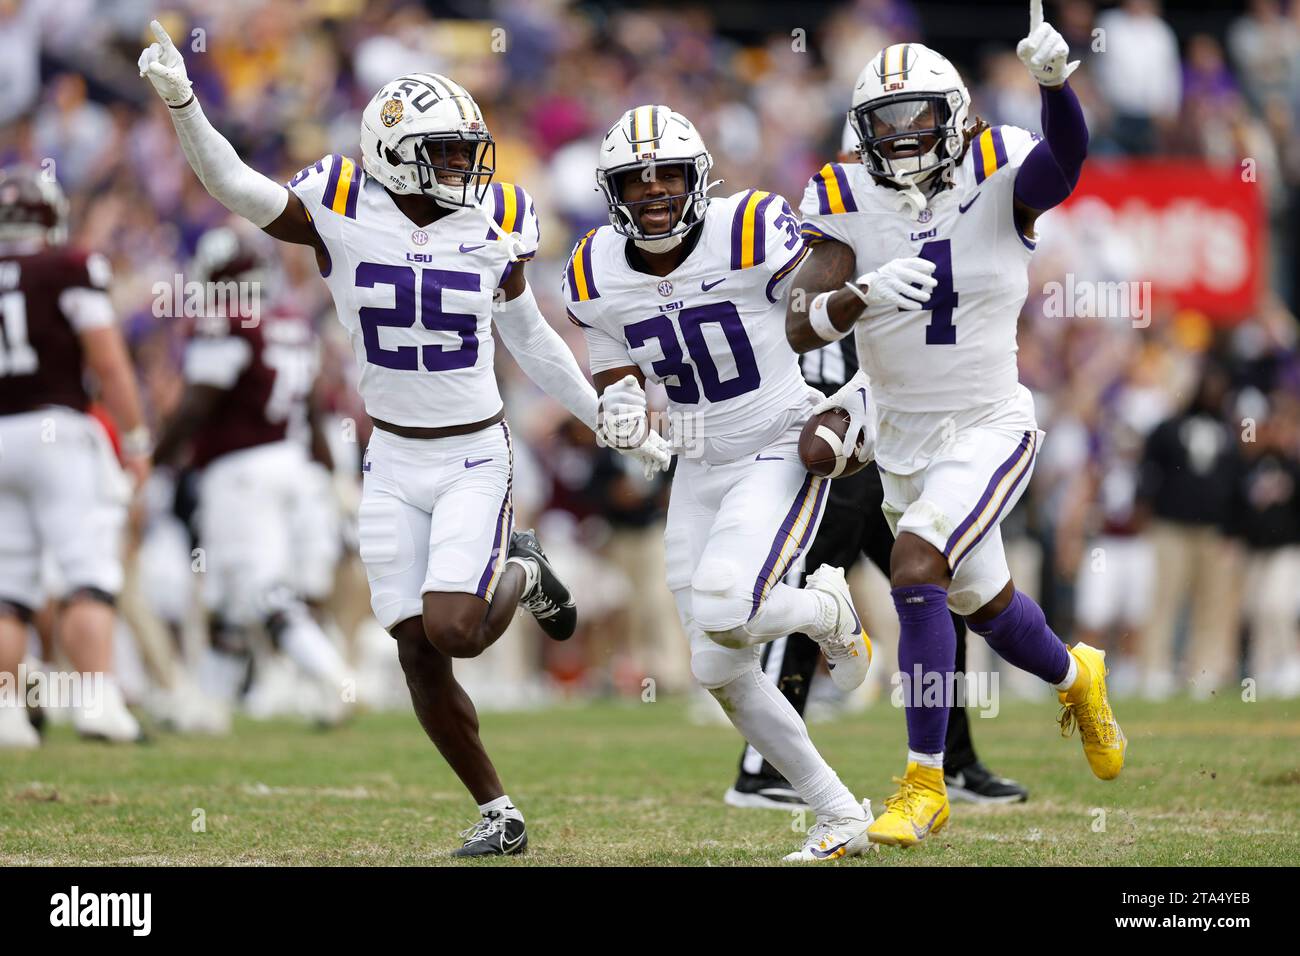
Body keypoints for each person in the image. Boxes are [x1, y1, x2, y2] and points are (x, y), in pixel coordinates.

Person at [139, 22, 669, 856]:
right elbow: (235, 185)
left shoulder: (496, 217)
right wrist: (183, 102)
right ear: (390, 152)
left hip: (470, 451)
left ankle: (521, 568)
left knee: (457, 627)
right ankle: (499, 812)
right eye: (444, 154)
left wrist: (598, 411)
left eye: (467, 152)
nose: (464, 169)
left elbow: (528, 337)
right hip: (389, 455)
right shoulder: (342, 202)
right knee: (417, 651)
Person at [784, 1, 1124, 848]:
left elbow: (1068, 159)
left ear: (955, 117)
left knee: (915, 564)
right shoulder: (842, 193)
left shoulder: (999, 165)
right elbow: (798, 320)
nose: (901, 137)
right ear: (861, 130)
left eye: (916, 118)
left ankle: (923, 784)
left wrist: (1053, 87)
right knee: (987, 606)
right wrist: (855, 296)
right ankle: (1077, 674)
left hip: (987, 419)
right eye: (884, 123)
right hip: (898, 429)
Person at [568, 104, 884, 861]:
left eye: (666, 176)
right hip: (698, 462)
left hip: (777, 440)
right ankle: (840, 815)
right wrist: (617, 406)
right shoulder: (594, 267)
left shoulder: (750, 227)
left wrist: (858, 404)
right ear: (612, 192)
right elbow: (614, 366)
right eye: (634, 182)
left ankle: (824, 608)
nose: (651, 193)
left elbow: (827, 302)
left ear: (697, 177)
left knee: (723, 605)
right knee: (716, 664)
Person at [152, 225, 352, 723]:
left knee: (260, 589)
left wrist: (154, 459)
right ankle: (207, 707)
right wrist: (327, 472)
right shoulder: (291, 319)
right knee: (227, 594)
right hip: (290, 461)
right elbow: (308, 405)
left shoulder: (229, 321)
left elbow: (196, 404)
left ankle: (336, 677)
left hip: (240, 472)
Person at [0, 167, 149, 747]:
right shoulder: (69, 266)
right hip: (56, 432)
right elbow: (108, 362)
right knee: (88, 571)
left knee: (8, 585)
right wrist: (134, 439)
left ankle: (8, 715)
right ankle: (96, 705)